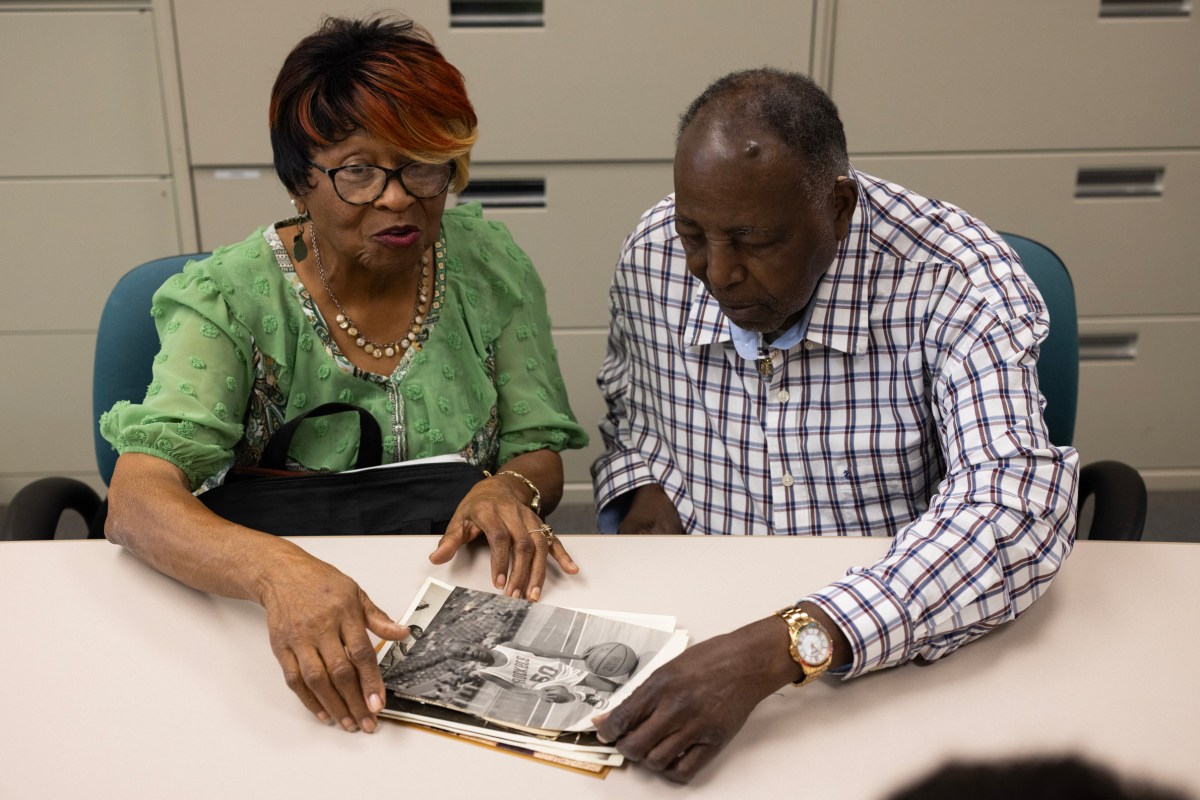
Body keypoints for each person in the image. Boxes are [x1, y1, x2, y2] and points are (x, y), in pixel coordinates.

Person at [99, 15, 588, 736]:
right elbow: (136, 502)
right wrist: (278, 574)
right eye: (358, 170)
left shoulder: (488, 263)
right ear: (301, 181)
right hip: (261, 626)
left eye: (423, 164)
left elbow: (538, 445)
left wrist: (507, 485)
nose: (398, 197)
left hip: (449, 598)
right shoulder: (231, 297)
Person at [590, 69, 1078, 782]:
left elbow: (1011, 510)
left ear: (840, 206)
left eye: (754, 241)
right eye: (696, 233)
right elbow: (633, 401)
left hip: (893, 637)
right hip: (699, 618)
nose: (716, 272)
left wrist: (785, 644)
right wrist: (639, 482)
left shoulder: (957, 282)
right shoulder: (656, 250)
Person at [446, 640, 620, 707]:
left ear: (473, 643)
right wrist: (536, 692)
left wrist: (578, 657)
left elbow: (543, 652)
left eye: (467, 648)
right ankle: (585, 697)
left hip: (561, 671)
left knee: (613, 688)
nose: (469, 653)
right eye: (464, 655)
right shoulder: (485, 672)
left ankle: (592, 690)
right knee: (557, 695)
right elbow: (511, 688)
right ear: (463, 661)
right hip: (544, 685)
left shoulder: (508, 647)